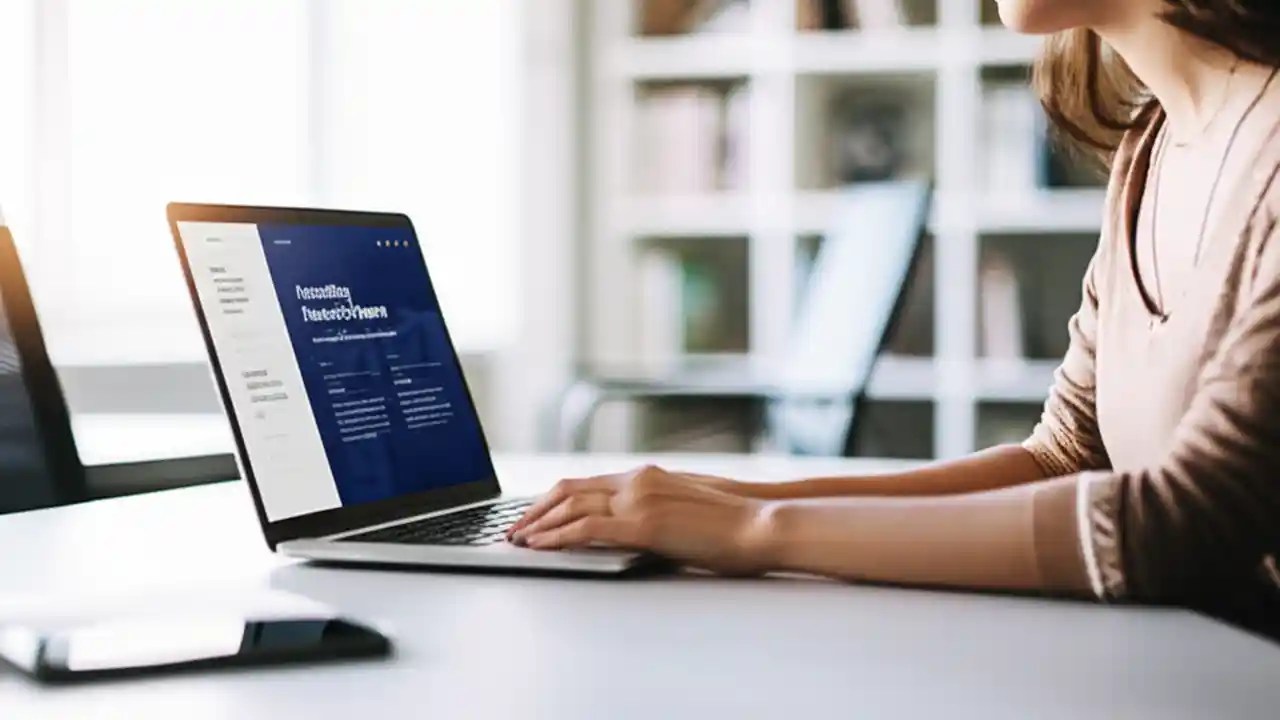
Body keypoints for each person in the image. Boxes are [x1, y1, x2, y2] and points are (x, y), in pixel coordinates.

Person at [510, 0, 1280, 626]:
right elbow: (1065, 455)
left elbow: (1180, 528)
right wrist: (735, 500)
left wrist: (753, 533)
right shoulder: (1156, 143)